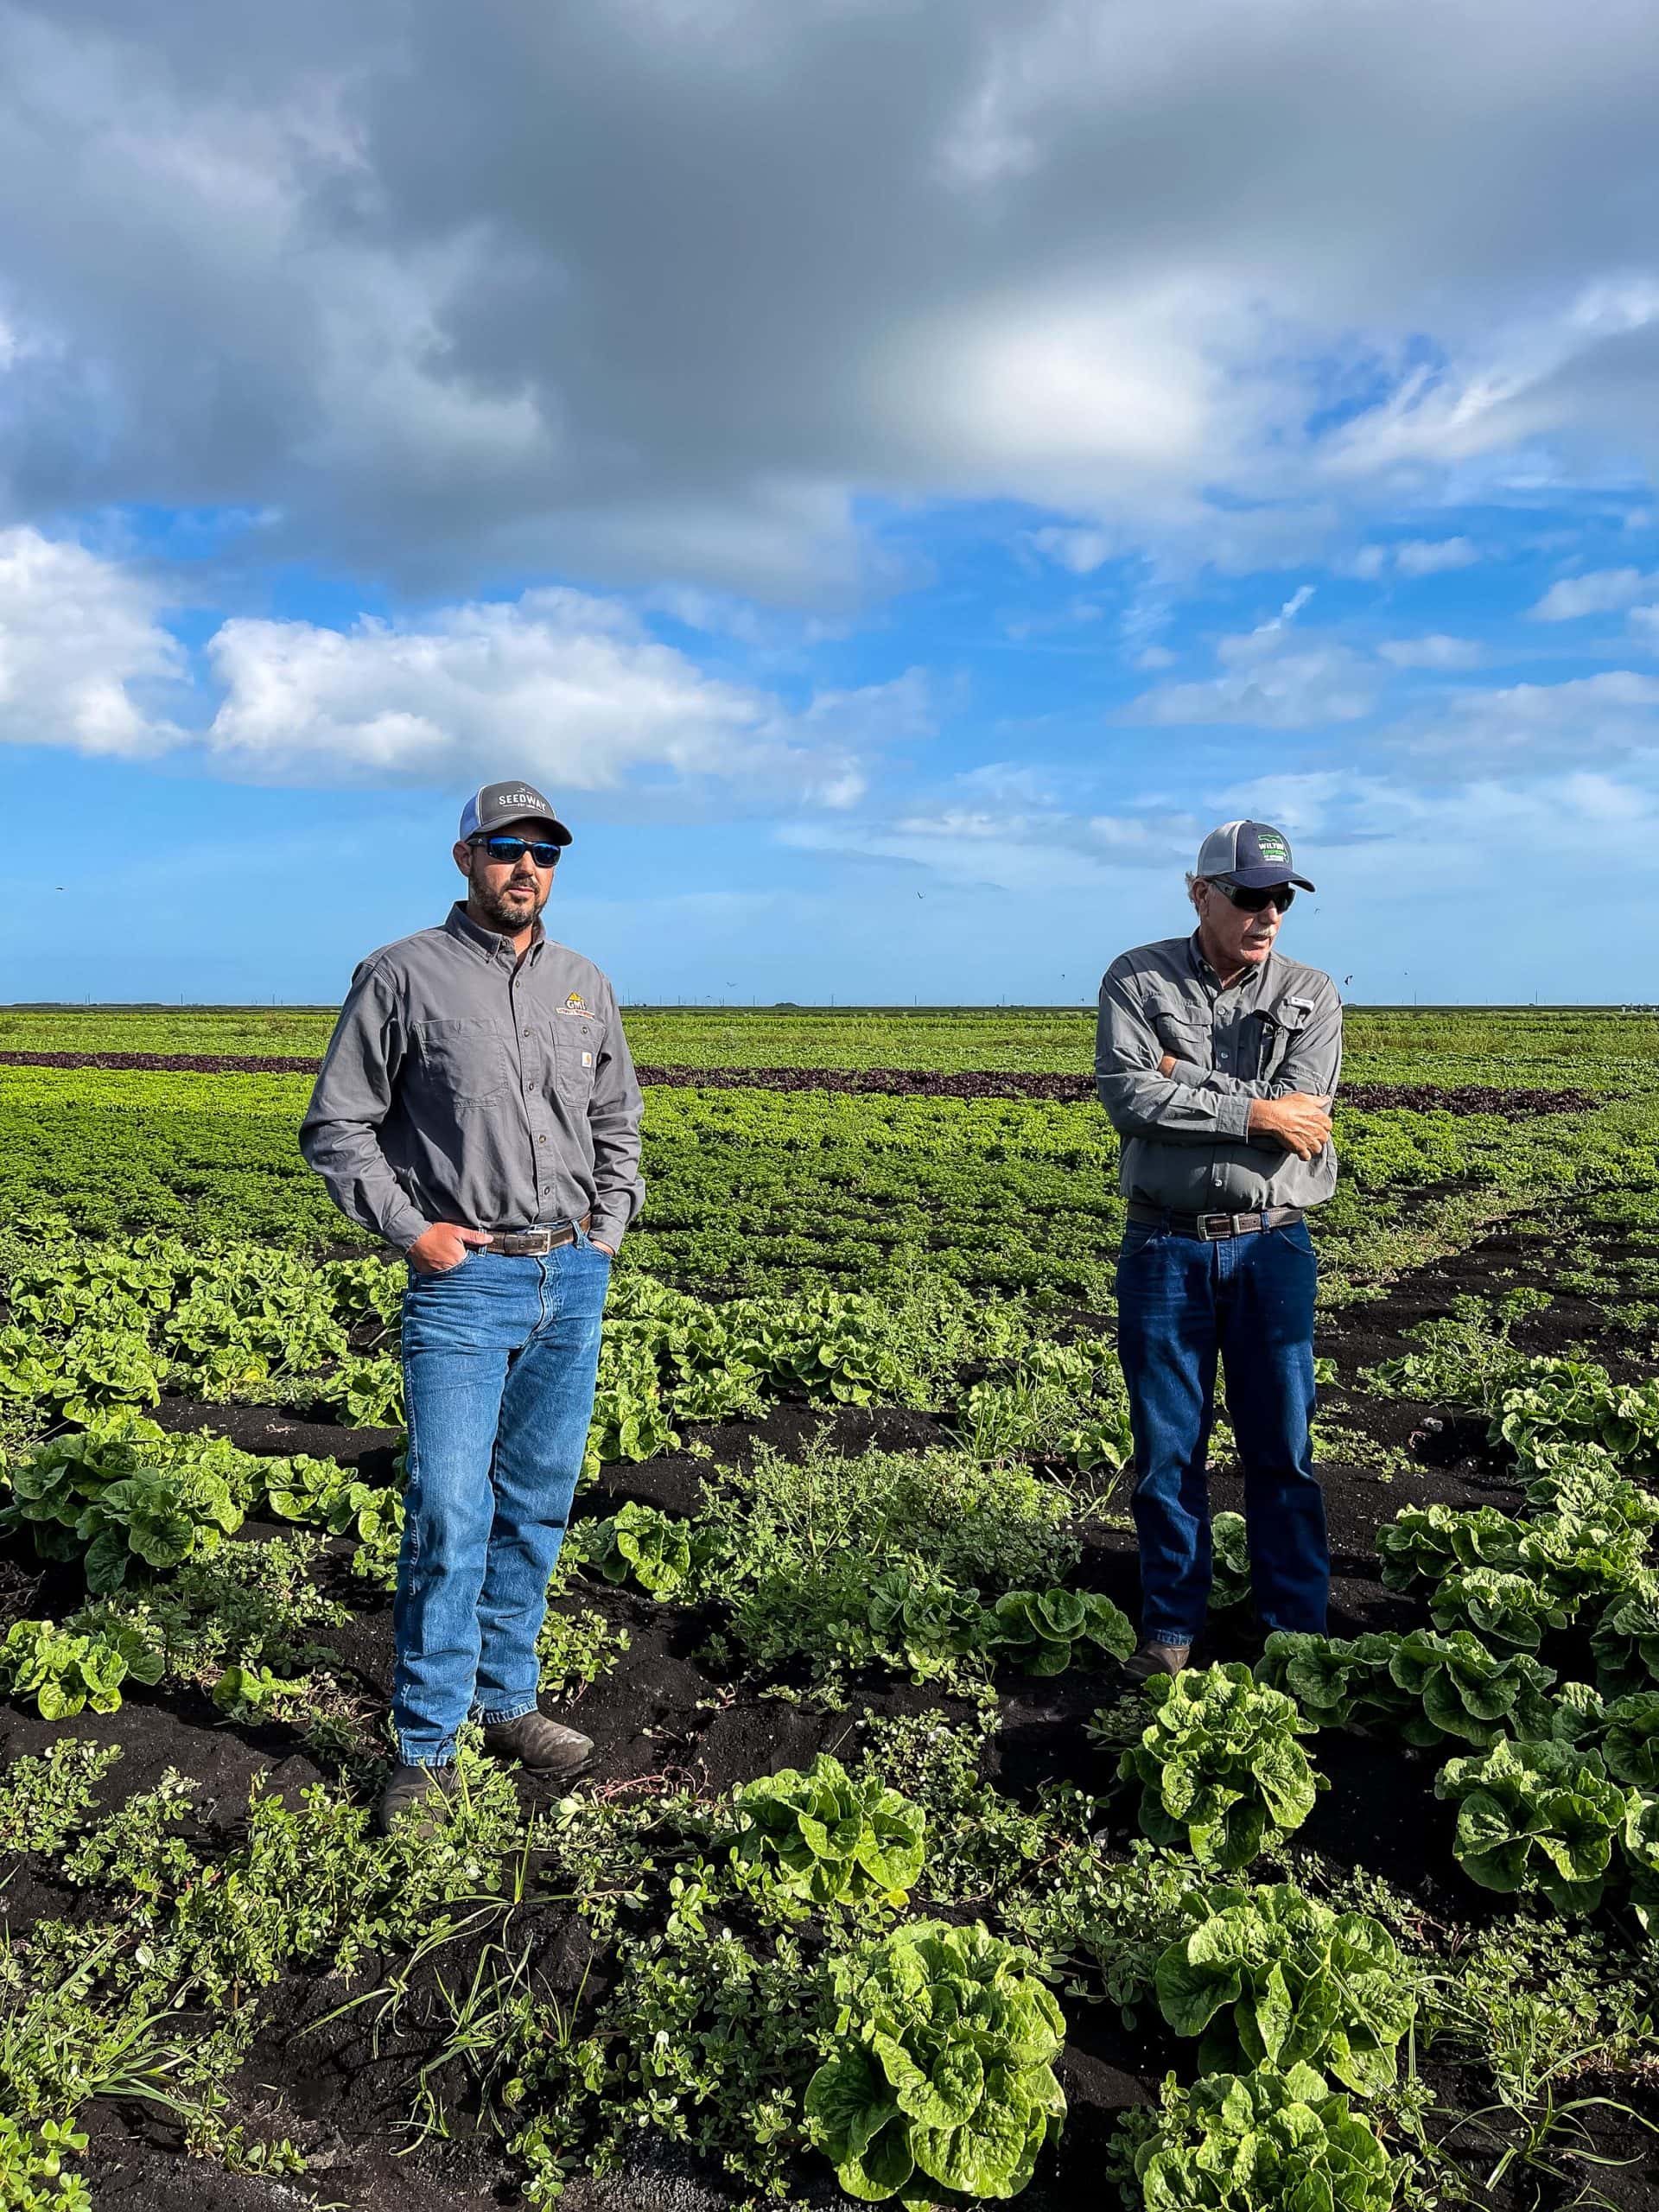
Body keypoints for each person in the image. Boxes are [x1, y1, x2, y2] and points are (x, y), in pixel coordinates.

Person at [300, 779, 645, 1831]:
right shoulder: (401, 975)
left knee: (537, 1499)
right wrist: (416, 1233)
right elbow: (338, 1126)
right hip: (461, 1281)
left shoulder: (584, 983)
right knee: (450, 1510)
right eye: (506, 849)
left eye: (543, 852)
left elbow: (617, 1119)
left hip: (569, 1275)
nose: (525, 869)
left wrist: (606, 1230)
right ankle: (424, 1745)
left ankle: (506, 1699)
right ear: (465, 858)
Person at [1095, 820, 1342, 1681]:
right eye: (1247, 895)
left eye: (1280, 896)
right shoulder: (1136, 976)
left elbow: (1301, 1123)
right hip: (1164, 1245)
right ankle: (1170, 1629)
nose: (1267, 912)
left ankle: (1296, 1631)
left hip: (1272, 1245)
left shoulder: (1313, 991)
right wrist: (1251, 1111)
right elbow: (1128, 1096)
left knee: (1284, 1447)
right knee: (1169, 1450)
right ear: (1199, 893)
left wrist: (1189, 1081)